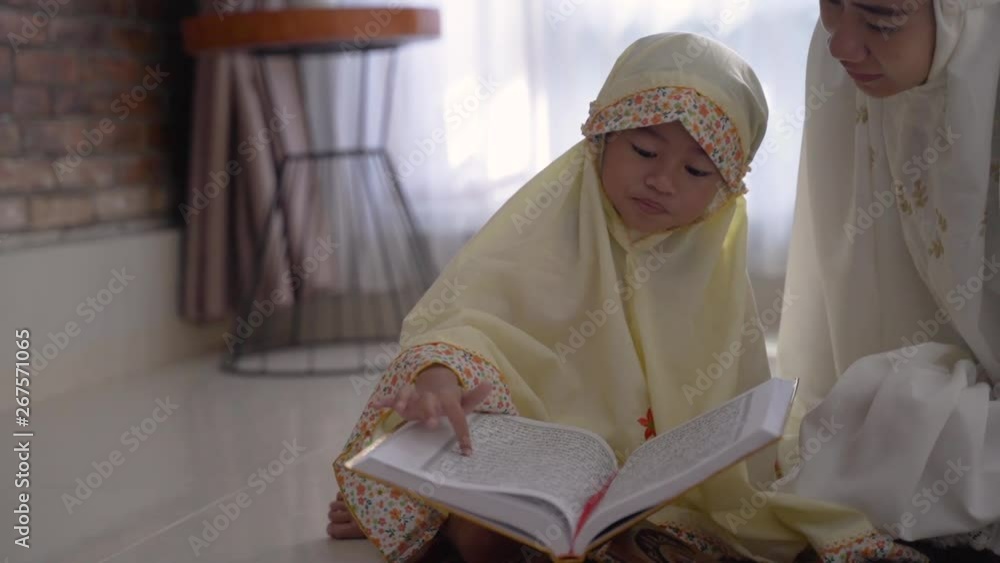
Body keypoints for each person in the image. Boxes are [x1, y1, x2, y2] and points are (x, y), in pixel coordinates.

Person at [329, 32, 930, 563]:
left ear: (726, 194)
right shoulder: (546, 225)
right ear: (601, 140)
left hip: (638, 472)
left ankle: (588, 529)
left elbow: (728, 405)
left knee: (705, 517)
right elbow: (465, 321)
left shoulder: (709, 272)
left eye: (697, 173)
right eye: (644, 151)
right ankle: (456, 519)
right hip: (526, 446)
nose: (663, 180)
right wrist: (439, 378)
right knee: (477, 505)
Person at [777, 0, 1000, 557]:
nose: (841, 45)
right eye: (829, 4)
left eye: (881, 20)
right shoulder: (844, 65)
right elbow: (847, 268)